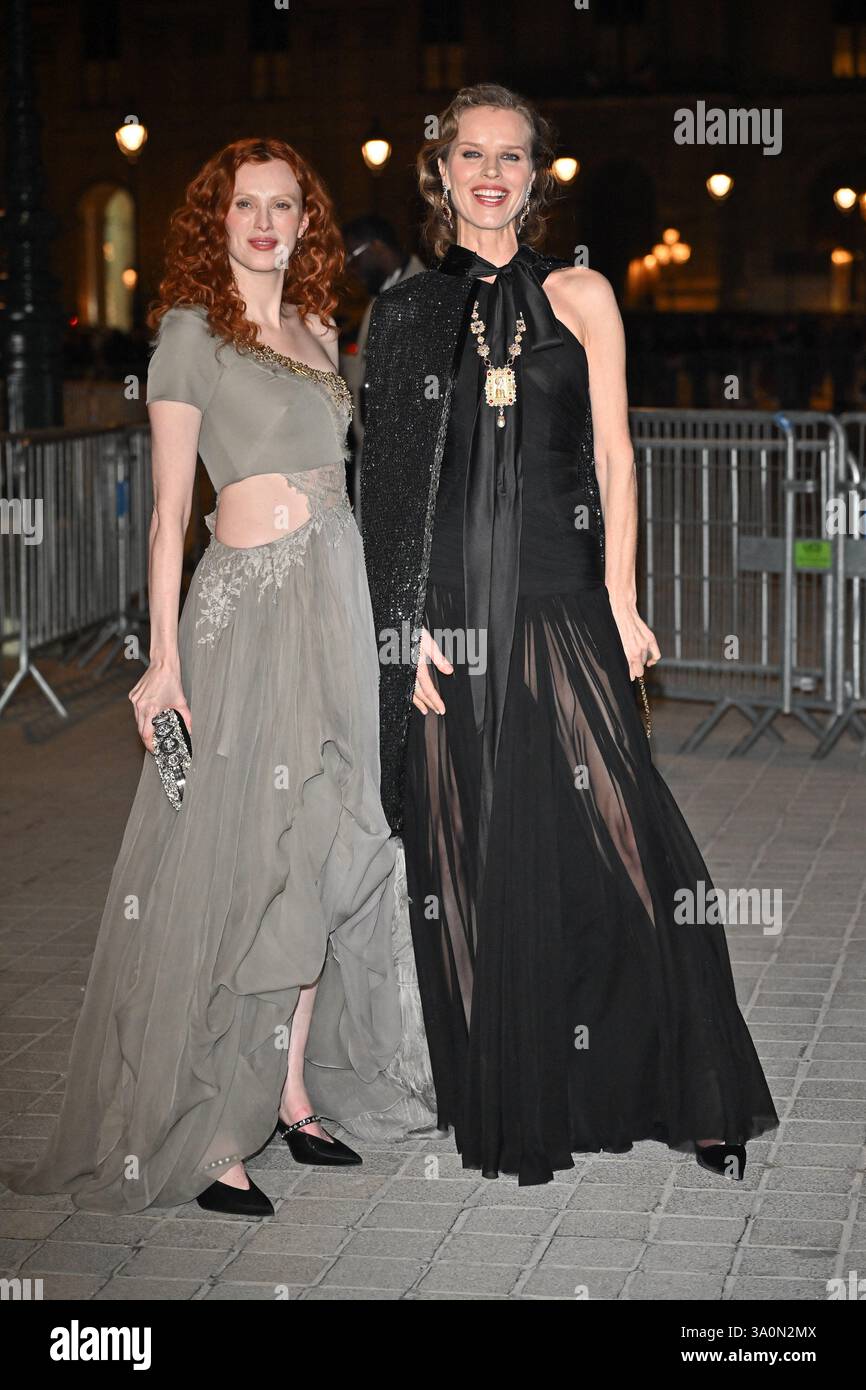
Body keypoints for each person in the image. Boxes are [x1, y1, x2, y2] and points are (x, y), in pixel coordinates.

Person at [0, 137, 432, 1220]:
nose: (265, 223)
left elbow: (352, 485)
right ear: (217, 217)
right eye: (246, 205)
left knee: (326, 844)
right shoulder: (191, 333)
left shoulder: (324, 329)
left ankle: (287, 1091)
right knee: (235, 855)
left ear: (305, 224)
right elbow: (165, 515)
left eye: (284, 207)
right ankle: (207, 1122)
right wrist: (162, 661)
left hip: (334, 600)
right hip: (244, 613)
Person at [360, 85, 779, 1187]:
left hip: (557, 593)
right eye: (469, 154)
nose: (489, 171)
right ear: (438, 170)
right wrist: (401, 631)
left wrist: (625, 596)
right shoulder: (401, 313)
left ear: (535, 178)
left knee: (624, 826)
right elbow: (388, 491)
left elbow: (615, 457)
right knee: (469, 853)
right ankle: (506, 1096)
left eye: (510, 156)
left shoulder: (583, 292)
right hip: (449, 611)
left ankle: (693, 1087)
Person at [341, 216, 425, 449]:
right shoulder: (382, 296)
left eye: (353, 259)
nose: (351, 270)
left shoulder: (422, 299)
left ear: (377, 246)